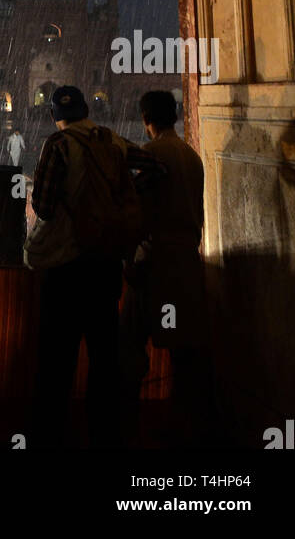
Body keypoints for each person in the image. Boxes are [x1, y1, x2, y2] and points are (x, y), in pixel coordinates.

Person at [26, 85, 139, 449]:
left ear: (54, 115)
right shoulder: (112, 141)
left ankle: (51, 436)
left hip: (66, 268)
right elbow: (152, 167)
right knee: (104, 359)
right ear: (87, 109)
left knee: (56, 363)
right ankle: (104, 435)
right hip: (105, 266)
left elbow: (42, 206)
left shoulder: (58, 145)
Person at [119, 90, 213, 445]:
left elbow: (135, 212)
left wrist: (129, 259)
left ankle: (126, 428)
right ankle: (185, 430)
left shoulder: (150, 156)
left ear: (146, 118)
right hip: (186, 262)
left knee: (129, 346)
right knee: (184, 352)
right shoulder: (192, 156)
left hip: (154, 264)